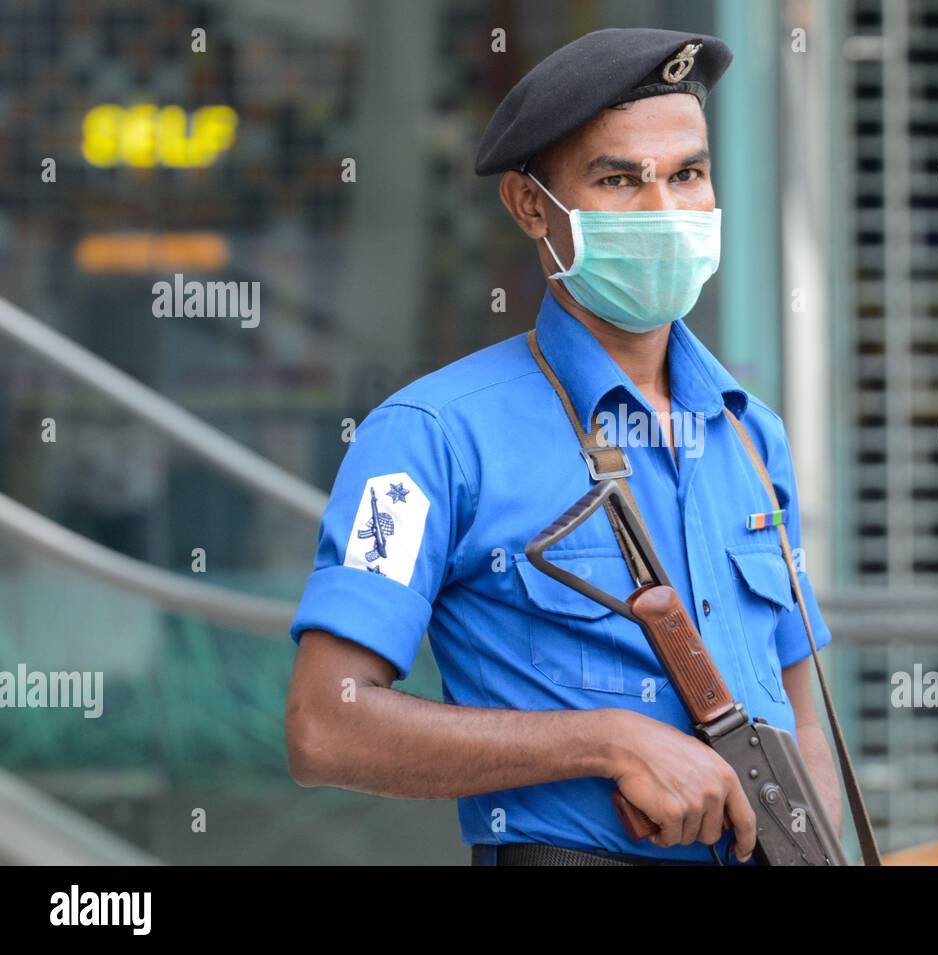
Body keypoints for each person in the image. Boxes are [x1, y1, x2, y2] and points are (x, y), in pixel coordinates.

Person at [285, 27, 842, 866]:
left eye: (687, 174)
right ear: (531, 206)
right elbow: (325, 723)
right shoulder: (431, 436)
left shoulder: (748, 429)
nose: (665, 210)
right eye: (621, 180)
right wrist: (606, 741)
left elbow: (805, 717)